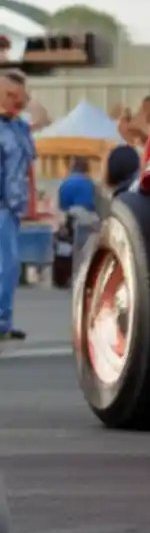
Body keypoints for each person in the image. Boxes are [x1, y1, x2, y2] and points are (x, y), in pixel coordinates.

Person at [0, 71, 35, 342]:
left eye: (20, 98)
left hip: (11, 208)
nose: (16, 102)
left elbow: (27, 168)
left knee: (9, 267)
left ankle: (4, 322)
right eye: (10, 95)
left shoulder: (20, 127)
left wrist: (30, 204)